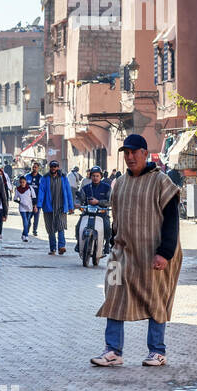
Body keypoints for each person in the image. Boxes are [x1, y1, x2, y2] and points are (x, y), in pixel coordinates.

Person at [92, 134, 183, 368]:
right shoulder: (119, 183)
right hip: (121, 254)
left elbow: (172, 221)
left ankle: (157, 351)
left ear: (145, 153)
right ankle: (113, 351)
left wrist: (165, 252)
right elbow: (116, 219)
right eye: (126, 153)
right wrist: (111, 245)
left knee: (156, 300)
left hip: (154, 254)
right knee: (113, 296)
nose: (130, 157)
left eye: (134, 152)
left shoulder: (161, 182)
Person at [37, 159, 74, 255]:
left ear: (58, 167)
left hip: (61, 206)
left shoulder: (63, 178)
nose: (53, 168)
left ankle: (61, 246)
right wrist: (39, 205)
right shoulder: (45, 178)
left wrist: (70, 206)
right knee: (51, 229)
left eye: (55, 166)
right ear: (50, 167)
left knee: (61, 226)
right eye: (52, 166)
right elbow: (41, 192)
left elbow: (68, 193)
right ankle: (52, 248)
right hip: (48, 207)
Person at [78, 165, 113, 256]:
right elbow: (80, 199)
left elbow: (110, 201)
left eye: (97, 176)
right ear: (90, 176)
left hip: (101, 214)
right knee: (78, 226)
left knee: (107, 227)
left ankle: (106, 245)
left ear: (101, 176)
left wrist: (98, 202)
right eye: (93, 176)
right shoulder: (86, 188)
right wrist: (78, 202)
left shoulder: (107, 187)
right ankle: (79, 243)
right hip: (87, 213)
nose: (95, 178)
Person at [12, 175, 35, 243]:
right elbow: (15, 199)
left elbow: (34, 197)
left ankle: (23, 234)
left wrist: (35, 206)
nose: (22, 183)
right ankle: (26, 236)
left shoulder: (30, 188)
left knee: (27, 222)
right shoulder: (17, 189)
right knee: (25, 221)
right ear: (19, 182)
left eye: (23, 182)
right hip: (22, 208)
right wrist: (20, 202)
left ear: (26, 182)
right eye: (21, 182)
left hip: (29, 207)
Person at [26, 161, 43, 237]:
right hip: (28, 201)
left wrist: (39, 202)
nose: (34, 168)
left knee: (36, 217)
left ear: (38, 168)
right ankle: (27, 229)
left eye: (35, 167)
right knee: (28, 217)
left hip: (37, 201)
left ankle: (34, 230)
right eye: (33, 167)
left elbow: (42, 190)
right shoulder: (27, 176)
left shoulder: (41, 178)